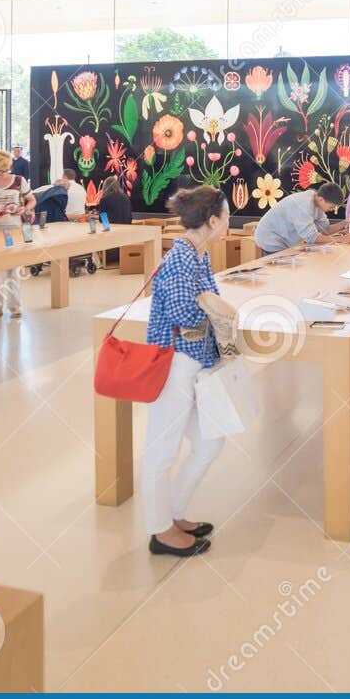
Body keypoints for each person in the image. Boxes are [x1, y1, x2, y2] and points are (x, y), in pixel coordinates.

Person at [143, 186, 228, 558]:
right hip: (175, 363)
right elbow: (186, 317)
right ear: (212, 221)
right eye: (225, 215)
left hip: (196, 363)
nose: (228, 222)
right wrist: (220, 317)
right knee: (161, 452)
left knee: (211, 441)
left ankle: (174, 513)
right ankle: (159, 530)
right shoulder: (180, 260)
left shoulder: (199, 255)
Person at [0, 149, 35, 320]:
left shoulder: (19, 181)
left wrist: (24, 208)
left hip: (14, 228)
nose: (2, 172)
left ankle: (15, 306)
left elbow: (32, 199)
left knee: (13, 268)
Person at [253, 183, 348, 254]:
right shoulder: (304, 205)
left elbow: (324, 229)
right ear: (321, 199)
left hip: (283, 239)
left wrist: (343, 224)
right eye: (331, 206)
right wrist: (341, 240)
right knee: (281, 273)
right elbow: (312, 237)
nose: (332, 210)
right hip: (270, 238)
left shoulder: (317, 203)